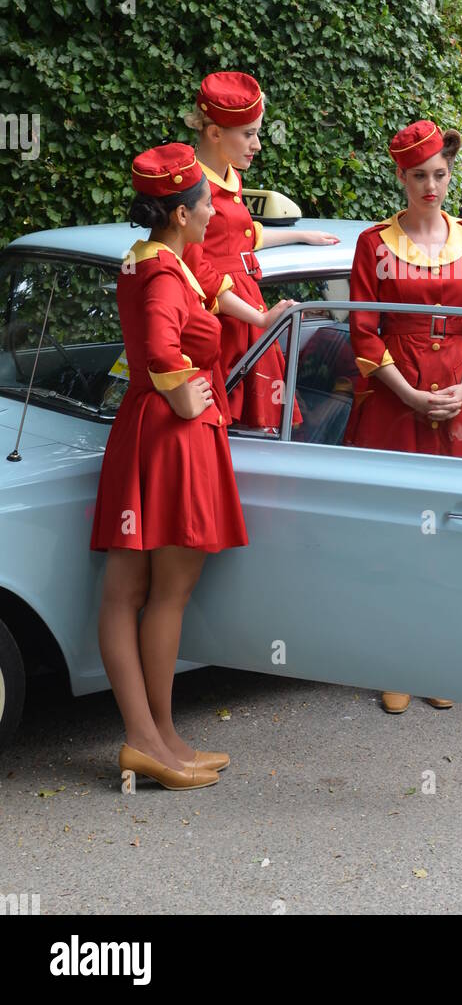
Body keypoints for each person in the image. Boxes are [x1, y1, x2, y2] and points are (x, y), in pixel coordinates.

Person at [91, 144, 250, 790]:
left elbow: (166, 332)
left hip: (147, 435)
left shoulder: (152, 261)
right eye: (207, 203)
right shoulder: (162, 273)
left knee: (129, 591)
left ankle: (159, 738)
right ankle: (145, 739)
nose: (215, 210)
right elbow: (159, 347)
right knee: (161, 593)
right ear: (182, 214)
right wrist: (181, 387)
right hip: (175, 438)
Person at [345, 120, 462, 713]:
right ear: (401, 178)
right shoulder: (372, 244)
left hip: (457, 395)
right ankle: (394, 657)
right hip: (394, 397)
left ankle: (438, 657)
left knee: (453, 530)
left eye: (439, 174)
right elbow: (362, 332)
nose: (431, 186)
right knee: (397, 529)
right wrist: (408, 394)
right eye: (419, 176)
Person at [183, 71, 339, 429]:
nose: (257, 145)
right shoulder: (191, 186)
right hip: (222, 322)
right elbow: (198, 276)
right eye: (249, 134)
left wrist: (302, 235)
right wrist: (259, 319)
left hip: (245, 312)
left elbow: (242, 239)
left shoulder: (230, 176)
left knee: (255, 426)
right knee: (228, 423)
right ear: (214, 132)